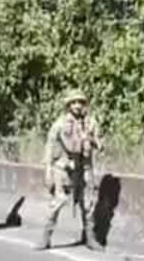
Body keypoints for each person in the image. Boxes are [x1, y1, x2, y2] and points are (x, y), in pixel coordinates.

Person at [39, 89, 101, 250]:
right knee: (57, 202)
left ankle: (90, 238)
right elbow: (49, 147)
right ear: (68, 105)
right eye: (74, 102)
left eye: (80, 102)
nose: (77, 106)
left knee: (88, 204)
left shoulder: (91, 123)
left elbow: (101, 144)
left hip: (84, 167)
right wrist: (48, 171)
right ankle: (45, 238)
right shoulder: (60, 124)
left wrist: (91, 139)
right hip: (64, 168)